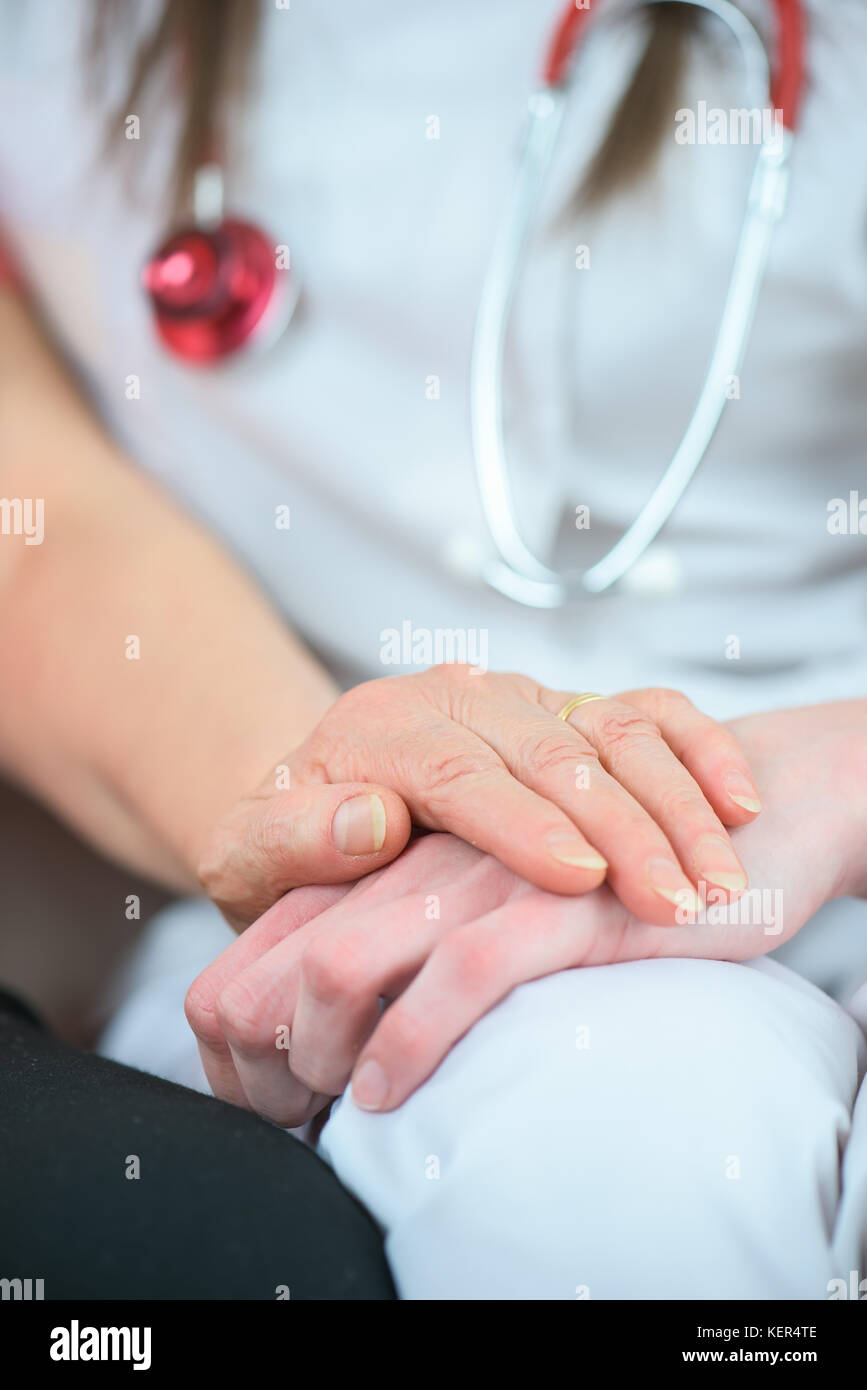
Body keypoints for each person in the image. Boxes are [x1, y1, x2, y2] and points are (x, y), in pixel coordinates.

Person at [1, 0, 866, 1298]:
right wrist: (335, 811)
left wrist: (831, 778)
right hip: (302, 859)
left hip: (825, 808)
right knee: (614, 1140)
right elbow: (42, 519)